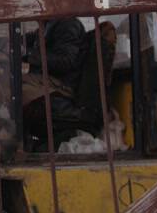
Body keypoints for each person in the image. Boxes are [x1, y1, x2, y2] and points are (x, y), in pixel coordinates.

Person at [22, 19, 116, 150]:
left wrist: (27, 54)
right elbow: (27, 40)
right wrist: (2, 42)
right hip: (49, 82)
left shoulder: (67, 24)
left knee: (14, 91)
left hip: (63, 88)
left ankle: (10, 143)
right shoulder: (48, 25)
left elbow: (66, 60)